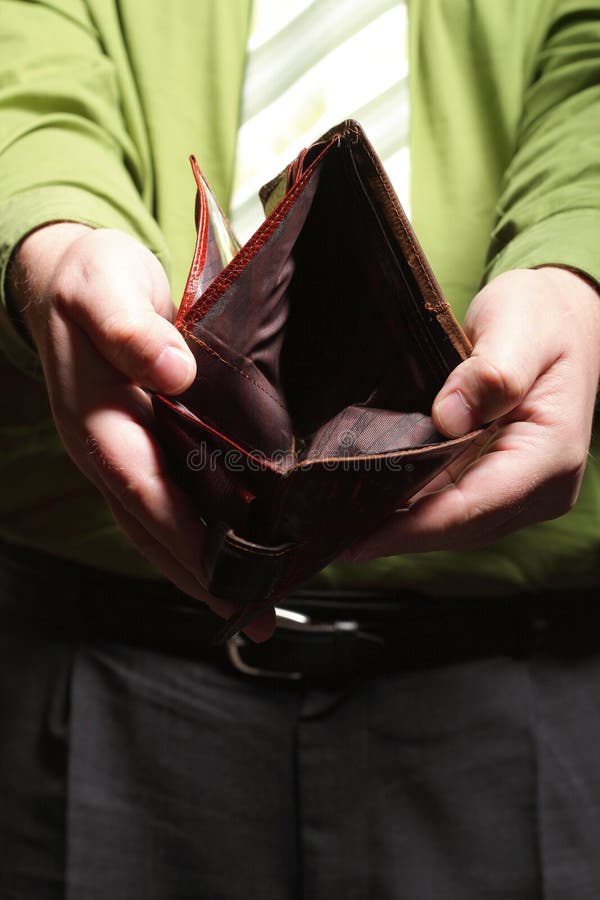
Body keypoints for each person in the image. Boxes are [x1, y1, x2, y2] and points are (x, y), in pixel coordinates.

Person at [1, 0, 600, 897]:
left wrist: (575, 266)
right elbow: (22, 55)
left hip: (514, 678)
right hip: (99, 655)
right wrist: (51, 237)